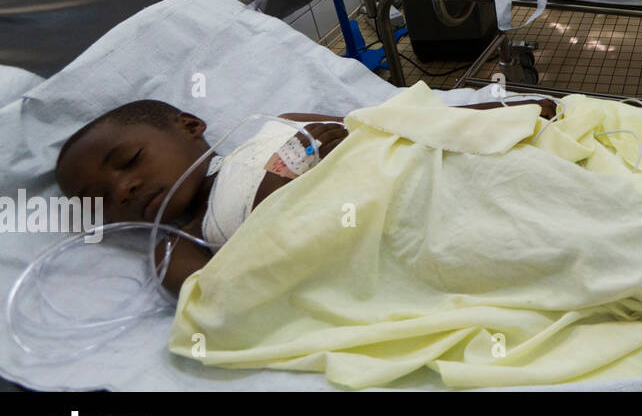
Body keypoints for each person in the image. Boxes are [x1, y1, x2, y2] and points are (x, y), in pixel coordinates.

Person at [56, 97, 557, 293]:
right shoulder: (180, 243)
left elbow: (394, 122)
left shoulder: (277, 127)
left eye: (128, 162)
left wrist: (500, 109)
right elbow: (219, 296)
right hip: (416, 233)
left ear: (190, 126)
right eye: (101, 200)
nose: (123, 189)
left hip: (437, 171)